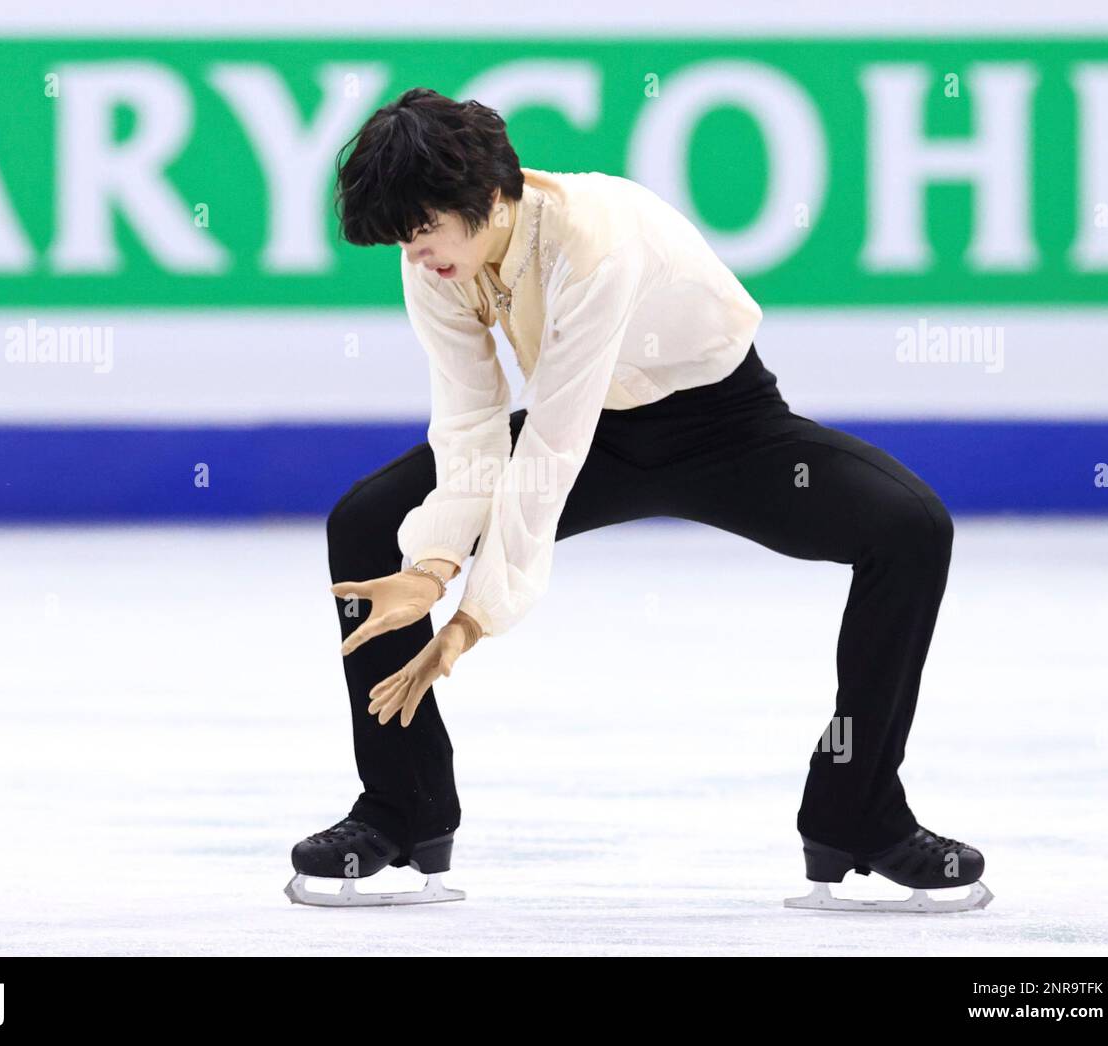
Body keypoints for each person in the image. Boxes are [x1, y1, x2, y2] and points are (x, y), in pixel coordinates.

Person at [285, 88, 990, 912]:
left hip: (723, 426)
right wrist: (431, 565)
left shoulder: (594, 237)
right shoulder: (441, 264)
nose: (414, 255)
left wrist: (473, 617)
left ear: (487, 197)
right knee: (366, 523)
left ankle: (857, 810)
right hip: (593, 435)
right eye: (402, 239)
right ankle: (402, 810)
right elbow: (472, 429)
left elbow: (549, 446)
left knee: (911, 529)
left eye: (424, 230)